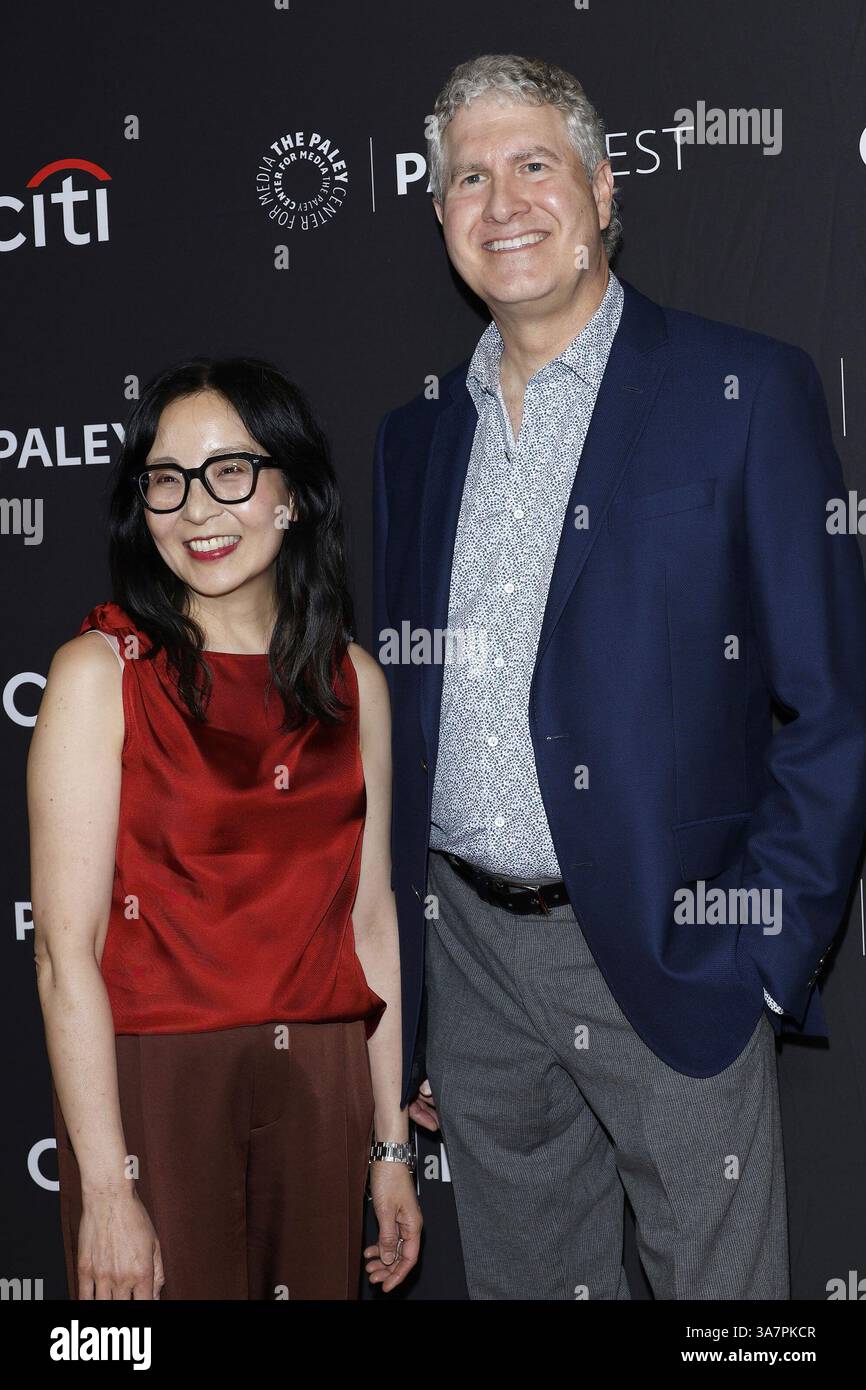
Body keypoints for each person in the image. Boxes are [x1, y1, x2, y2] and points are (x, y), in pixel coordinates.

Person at [372, 53, 866, 1299]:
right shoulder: (418, 432)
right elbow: (405, 715)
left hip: (670, 943)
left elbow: (829, 699)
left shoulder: (740, 392)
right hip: (473, 959)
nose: (502, 202)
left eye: (533, 164)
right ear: (439, 221)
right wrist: (419, 991)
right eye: (467, 178)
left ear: (601, 190)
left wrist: (757, 943)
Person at [29, 357, 421, 1300]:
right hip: (157, 1087)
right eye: (167, 480)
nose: (198, 508)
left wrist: (390, 1147)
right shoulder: (100, 672)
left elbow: (369, 925)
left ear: (293, 492)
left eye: (231, 472)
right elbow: (63, 953)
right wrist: (107, 1190)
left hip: (320, 1085)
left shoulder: (353, 683)